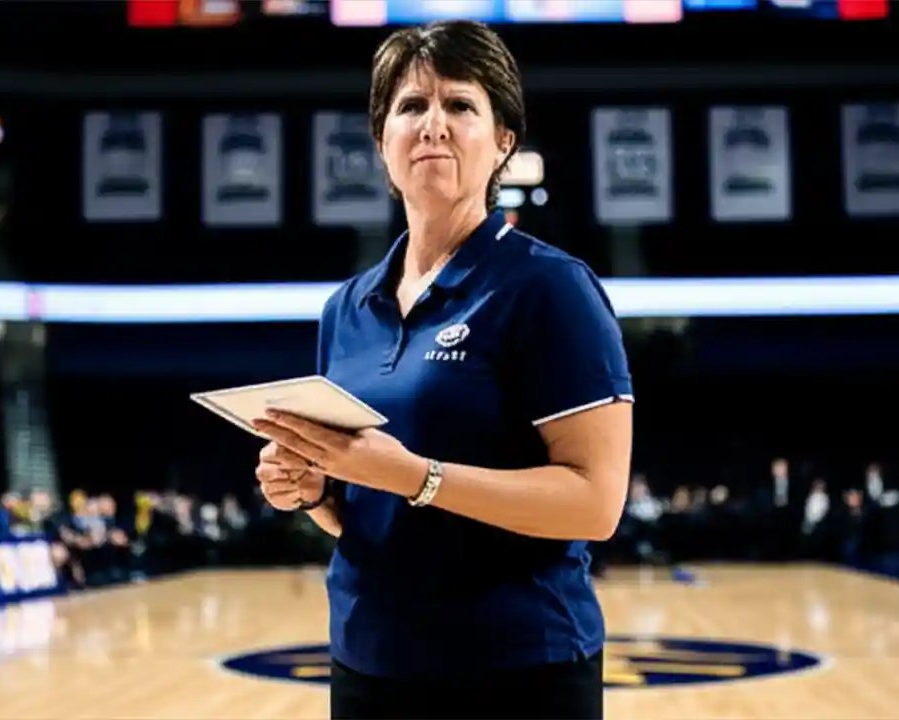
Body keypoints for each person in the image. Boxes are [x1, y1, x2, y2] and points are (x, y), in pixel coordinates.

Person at [253, 19, 633, 720]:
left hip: (518, 672)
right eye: (410, 106)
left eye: (460, 105)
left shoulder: (549, 288)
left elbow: (596, 503)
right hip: (369, 664)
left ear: (503, 143)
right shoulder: (347, 307)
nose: (434, 124)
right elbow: (368, 512)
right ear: (382, 146)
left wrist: (410, 474)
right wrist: (309, 489)